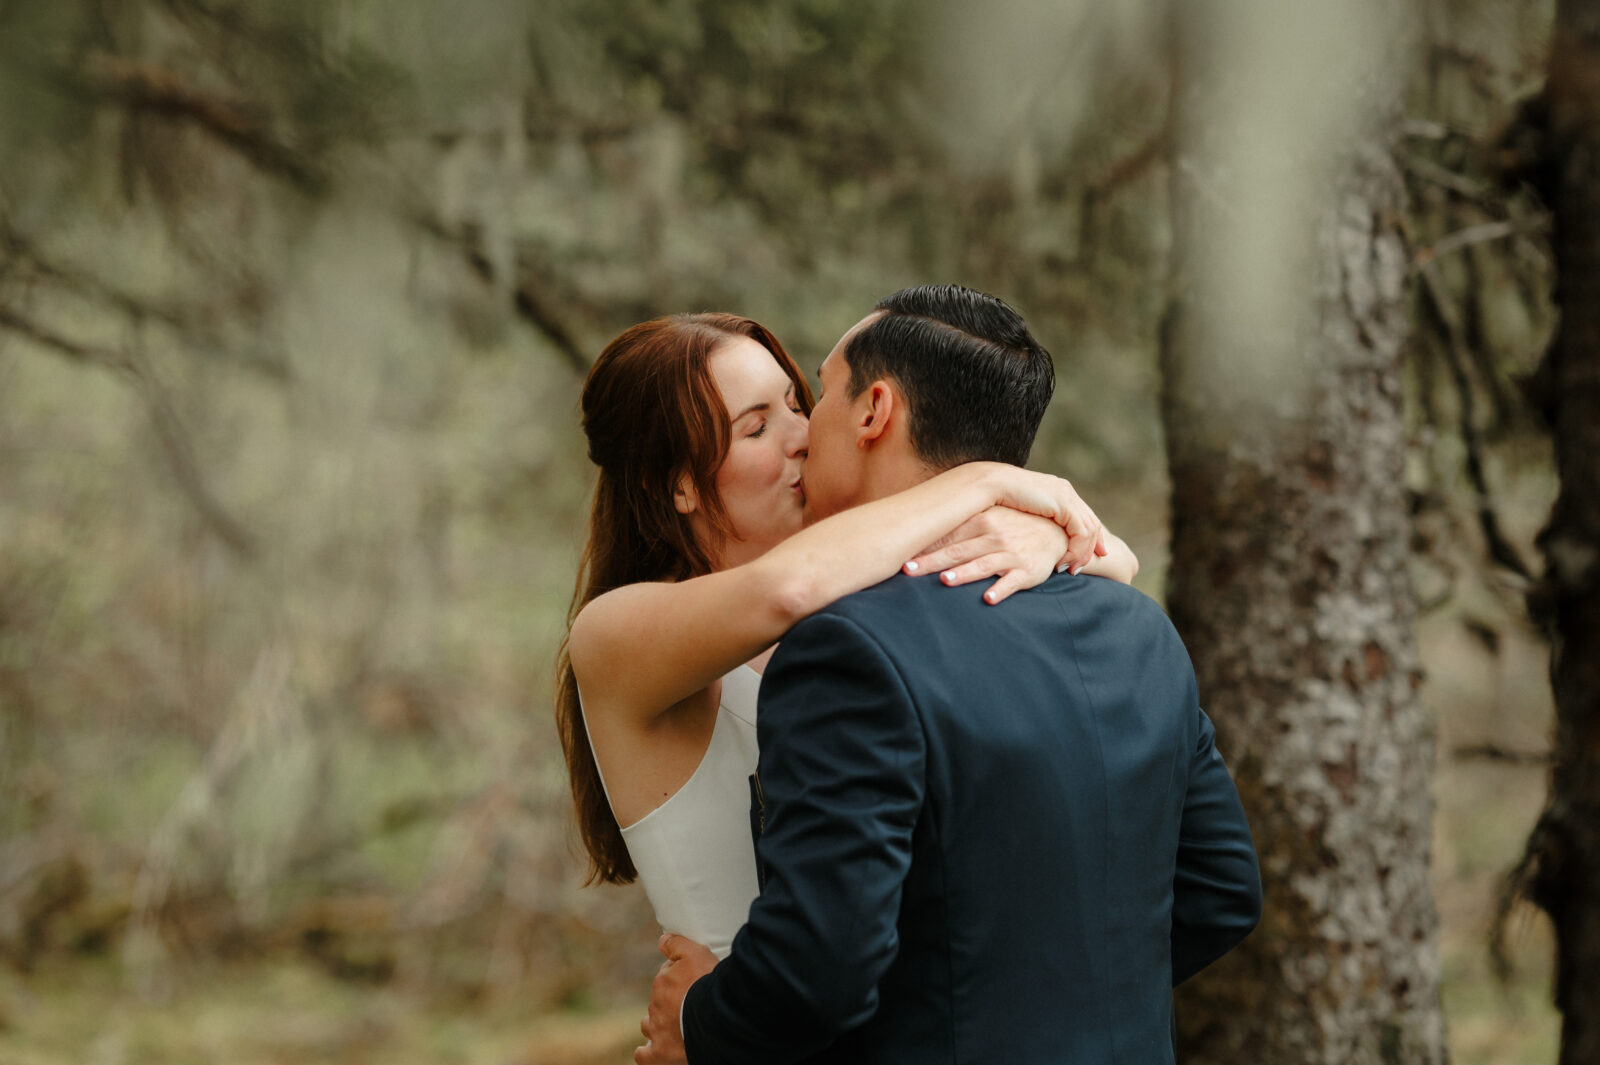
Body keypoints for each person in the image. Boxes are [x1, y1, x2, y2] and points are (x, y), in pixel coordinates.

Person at [637, 286, 1261, 1065]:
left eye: (820, 392)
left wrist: (700, 1023)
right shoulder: (1139, 628)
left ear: (873, 411)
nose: (803, 432)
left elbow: (819, 964)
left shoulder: (848, 649)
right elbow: (1222, 888)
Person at [556, 311, 1139, 964]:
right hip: (740, 1026)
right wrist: (984, 480)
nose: (802, 436)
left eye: (795, 403)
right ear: (677, 484)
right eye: (756, 426)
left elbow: (1118, 562)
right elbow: (784, 589)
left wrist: (1048, 532)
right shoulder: (612, 634)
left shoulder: (853, 593)